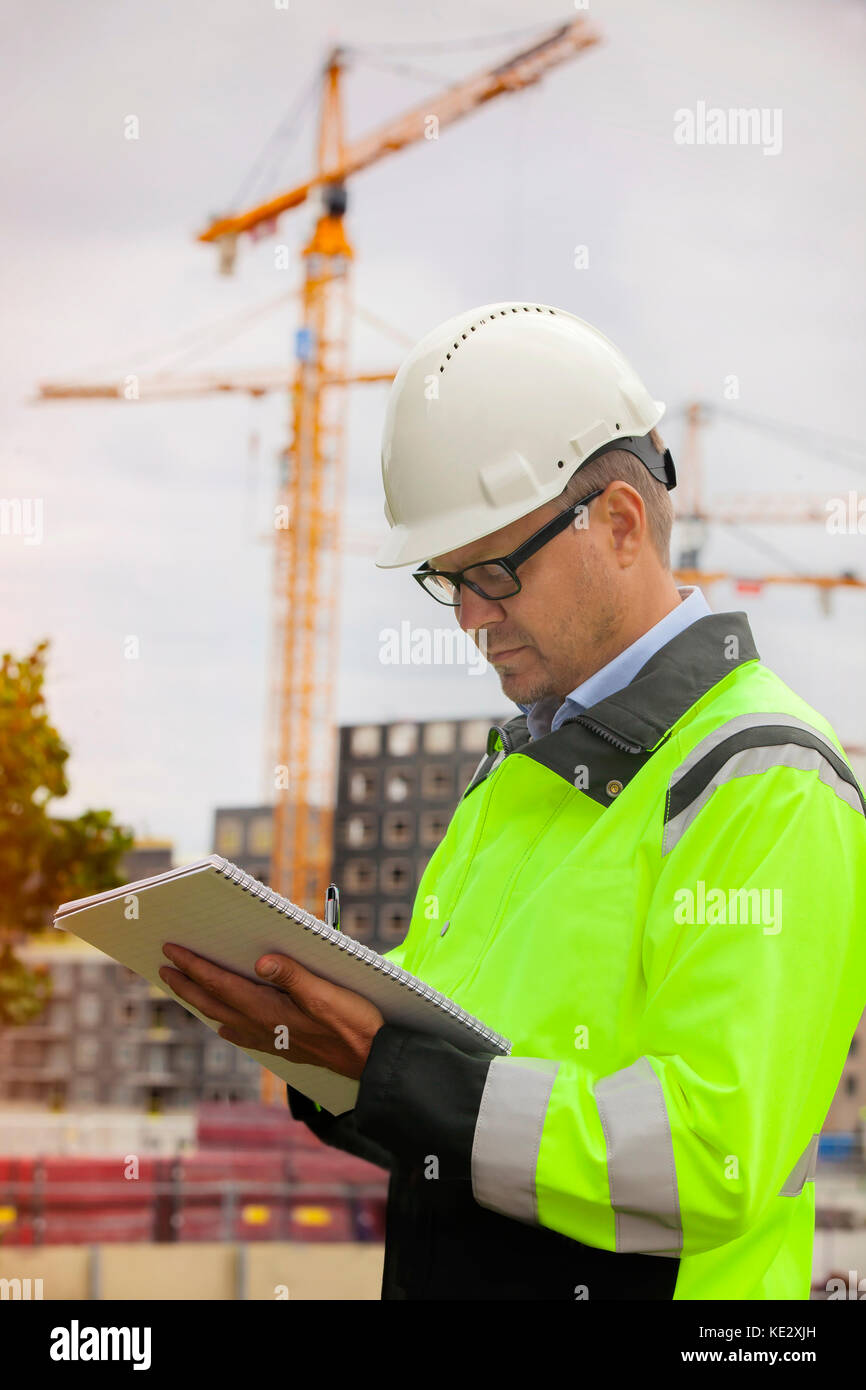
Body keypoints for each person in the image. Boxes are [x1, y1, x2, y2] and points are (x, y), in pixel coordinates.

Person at [160, 302, 866, 1300]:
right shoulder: (517, 772)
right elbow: (461, 1100)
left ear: (618, 523)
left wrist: (388, 1069)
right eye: (447, 582)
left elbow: (710, 1157)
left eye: (494, 572)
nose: (473, 618)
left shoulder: (763, 779)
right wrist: (310, 1032)